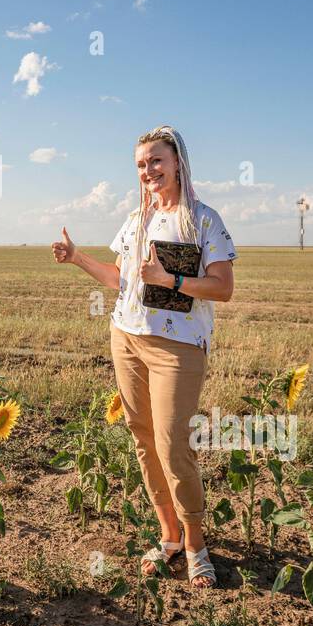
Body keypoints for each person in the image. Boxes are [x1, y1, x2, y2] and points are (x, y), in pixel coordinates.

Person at [52, 124, 236, 587]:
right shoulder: (137, 219)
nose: (148, 170)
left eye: (156, 160)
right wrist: (77, 257)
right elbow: (120, 279)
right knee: (143, 438)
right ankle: (169, 535)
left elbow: (223, 288)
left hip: (178, 348)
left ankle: (196, 544)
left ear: (177, 163)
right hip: (127, 339)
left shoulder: (203, 220)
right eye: (141, 164)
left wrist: (171, 280)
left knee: (173, 443)